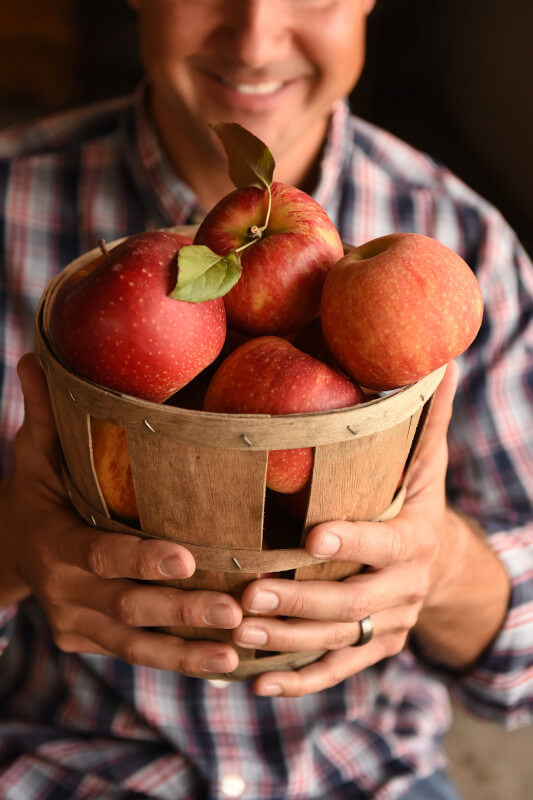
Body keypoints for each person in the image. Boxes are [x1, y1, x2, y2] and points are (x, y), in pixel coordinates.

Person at [0, 1, 532, 798]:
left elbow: (522, 672)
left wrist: (444, 566)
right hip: (64, 768)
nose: (254, 39)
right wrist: (14, 552)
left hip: (363, 773)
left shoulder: (462, 244)